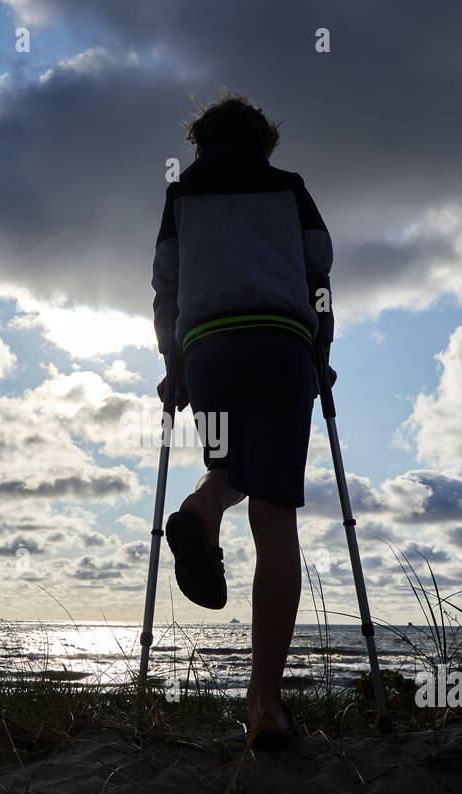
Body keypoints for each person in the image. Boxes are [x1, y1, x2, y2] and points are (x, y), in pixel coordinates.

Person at [151, 92, 337, 750]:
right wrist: (323, 350)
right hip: (282, 348)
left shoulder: (183, 196)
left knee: (228, 468)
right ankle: (265, 705)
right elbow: (317, 275)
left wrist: (174, 362)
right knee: (274, 509)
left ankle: (202, 513)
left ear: (202, 142)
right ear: (263, 140)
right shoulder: (289, 189)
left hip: (212, 354)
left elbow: (166, 286)